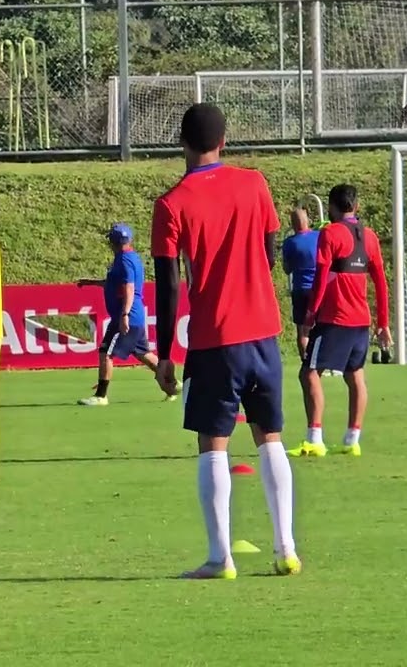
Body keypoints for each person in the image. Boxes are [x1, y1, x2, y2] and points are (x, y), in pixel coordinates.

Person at [150, 103, 300, 580]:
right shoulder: (255, 183)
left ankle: (220, 558)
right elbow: (271, 247)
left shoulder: (171, 203)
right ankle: (286, 549)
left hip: (216, 337)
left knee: (213, 445)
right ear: (224, 141)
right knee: (269, 438)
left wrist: (168, 355)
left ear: (182, 143)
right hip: (264, 332)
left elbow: (169, 283)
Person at [290, 184, 391, 459]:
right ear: (356, 207)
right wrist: (383, 323)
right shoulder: (369, 237)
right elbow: (380, 282)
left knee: (309, 373)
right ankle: (352, 439)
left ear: (332, 207)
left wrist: (311, 314)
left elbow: (321, 276)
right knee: (355, 376)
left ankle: (314, 439)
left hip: (335, 317)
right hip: (361, 320)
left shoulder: (329, 233)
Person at [75, 223, 166, 406]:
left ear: (113, 242)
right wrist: (91, 282)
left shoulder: (124, 261)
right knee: (143, 354)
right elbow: (115, 284)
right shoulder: (128, 258)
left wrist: (124, 315)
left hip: (126, 316)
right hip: (132, 316)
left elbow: (129, 288)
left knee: (105, 352)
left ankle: (101, 396)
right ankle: (172, 385)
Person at [281, 207, 319, 361]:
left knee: (302, 329)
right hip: (318, 288)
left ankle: (306, 360)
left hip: (300, 289)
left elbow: (287, 269)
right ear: (307, 221)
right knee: (321, 325)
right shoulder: (319, 236)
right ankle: (321, 359)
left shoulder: (289, 243)